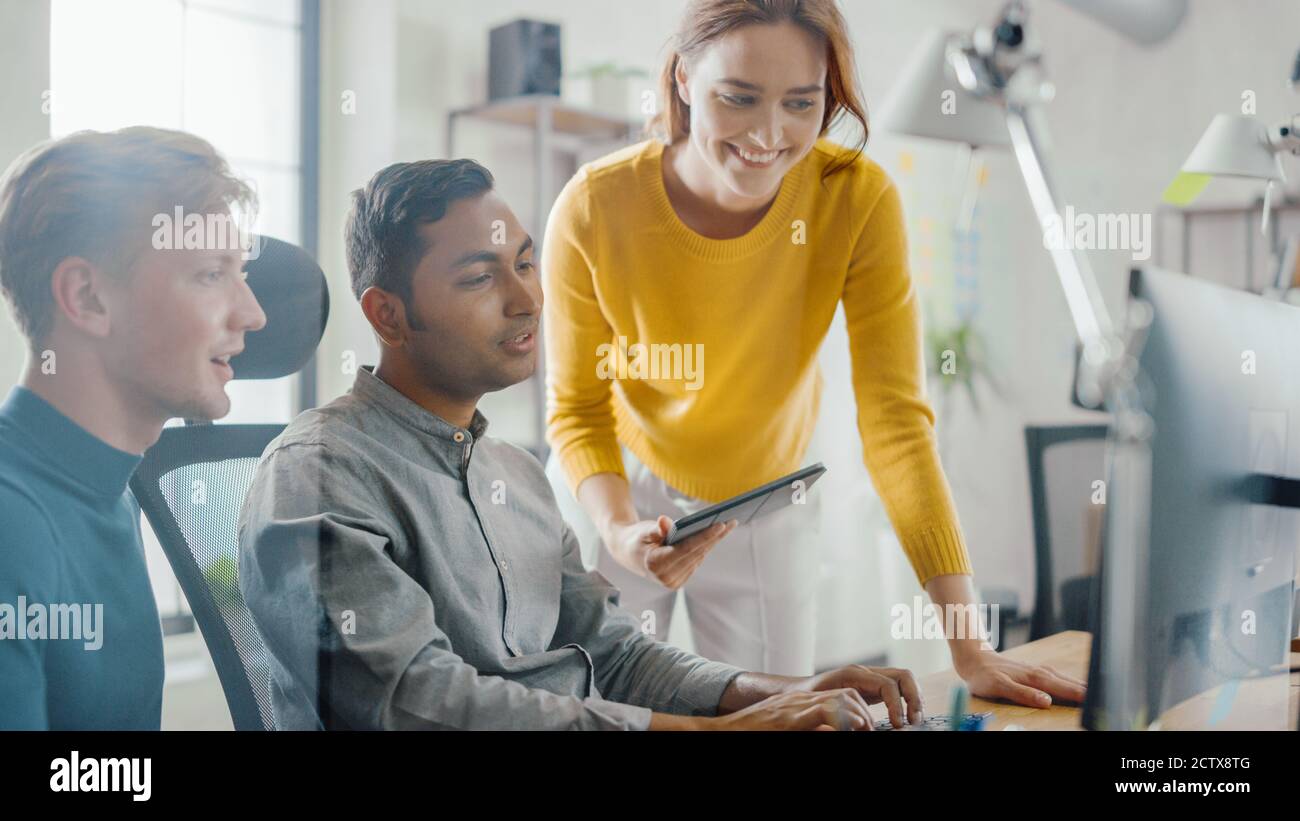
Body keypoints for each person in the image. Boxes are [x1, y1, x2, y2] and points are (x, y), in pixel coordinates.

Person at [238, 158, 924, 730]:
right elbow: (414, 701)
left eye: (526, 263)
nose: (527, 298)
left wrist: (775, 691)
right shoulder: (319, 473)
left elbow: (615, 654)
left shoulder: (517, 475)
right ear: (388, 314)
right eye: (480, 277)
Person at [542, 0, 1085, 706]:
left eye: (803, 103)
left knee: (777, 717)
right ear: (681, 79)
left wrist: (970, 644)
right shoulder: (594, 206)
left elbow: (896, 424)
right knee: (603, 710)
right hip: (623, 488)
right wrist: (619, 530)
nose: (770, 135)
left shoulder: (855, 201)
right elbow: (579, 411)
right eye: (738, 98)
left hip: (767, 498)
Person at [0, 127, 267, 729]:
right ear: (89, 297)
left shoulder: (106, 487)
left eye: (240, 272)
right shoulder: (10, 524)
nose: (252, 313)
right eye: (209, 274)